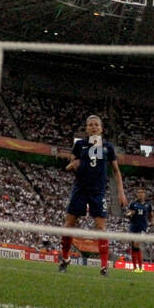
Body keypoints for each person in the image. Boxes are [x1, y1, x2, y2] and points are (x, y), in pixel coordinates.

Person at [58, 115, 127, 276]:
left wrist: (121, 192)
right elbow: (69, 166)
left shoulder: (107, 147)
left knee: (101, 228)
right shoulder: (80, 145)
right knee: (69, 225)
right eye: (90, 125)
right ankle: (66, 258)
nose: (94, 127)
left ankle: (103, 267)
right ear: (87, 129)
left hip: (98, 190)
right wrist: (74, 164)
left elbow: (116, 171)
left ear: (101, 128)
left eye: (96, 124)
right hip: (80, 188)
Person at [126, 188, 152, 272]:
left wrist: (153, 220)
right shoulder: (133, 204)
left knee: (136, 244)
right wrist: (130, 213)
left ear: (144, 194)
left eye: (142, 192)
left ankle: (140, 267)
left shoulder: (148, 205)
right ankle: (135, 268)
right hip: (133, 226)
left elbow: (151, 214)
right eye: (138, 192)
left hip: (142, 227)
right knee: (133, 246)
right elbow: (128, 214)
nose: (140, 194)